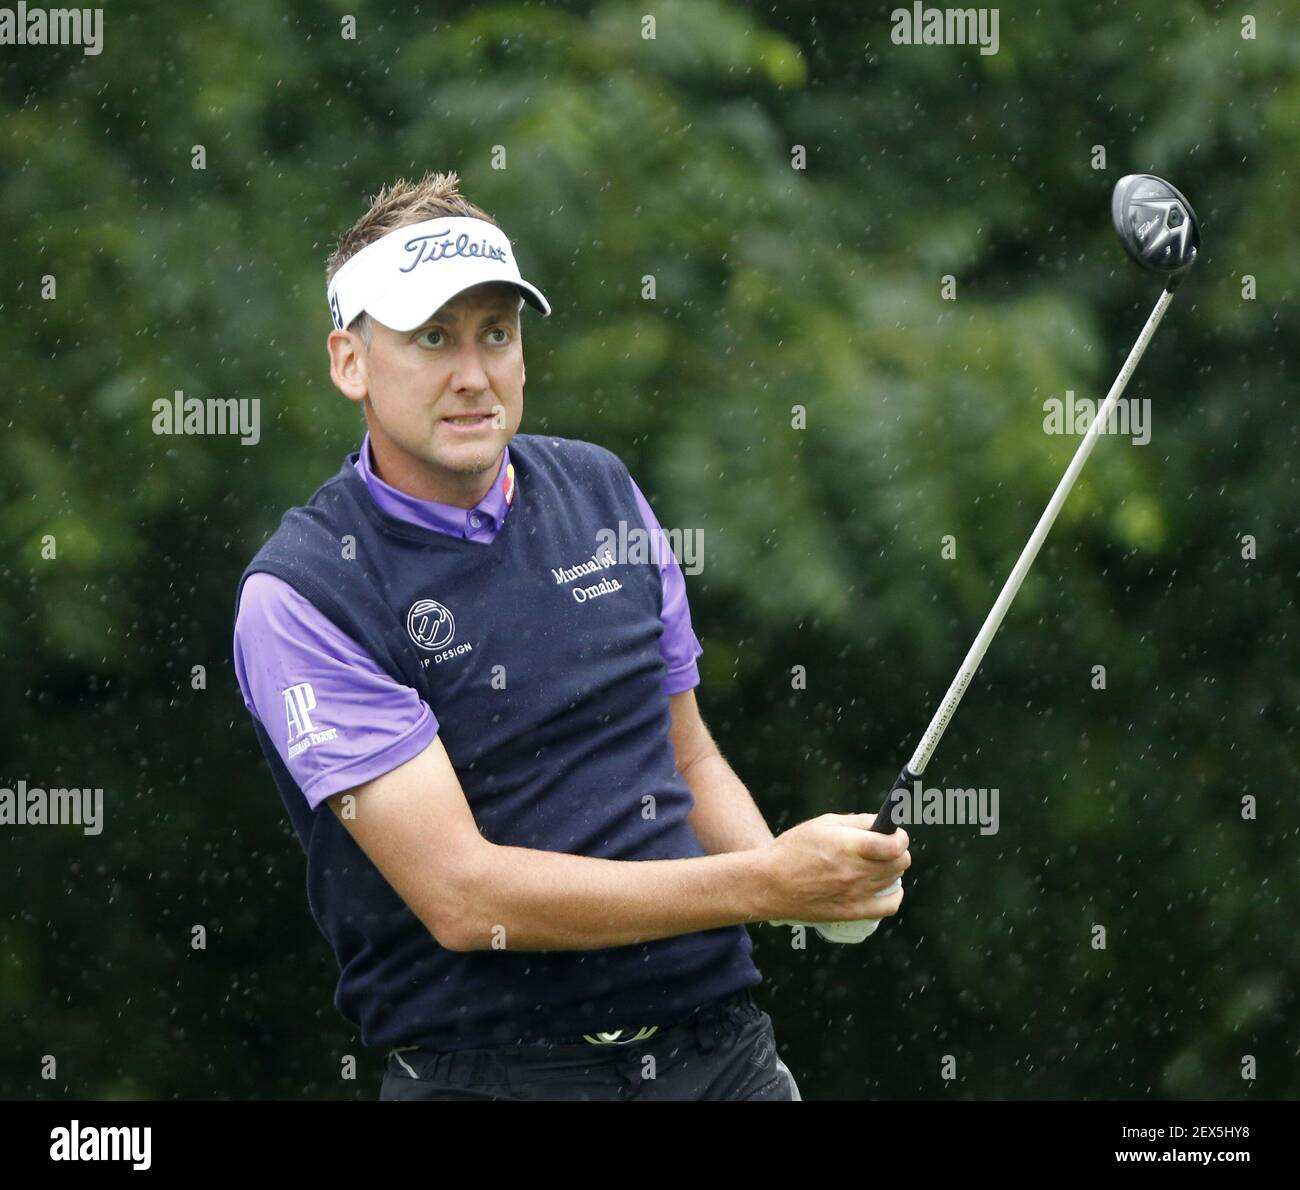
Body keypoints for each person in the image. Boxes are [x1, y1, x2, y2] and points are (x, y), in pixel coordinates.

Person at [232, 171, 910, 1101]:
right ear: (351, 362)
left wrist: (811, 883)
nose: (474, 375)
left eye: (496, 334)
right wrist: (768, 885)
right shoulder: (307, 590)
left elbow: (689, 757)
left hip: (721, 1058)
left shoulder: (601, 491)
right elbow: (464, 896)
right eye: (432, 337)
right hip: (491, 1078)